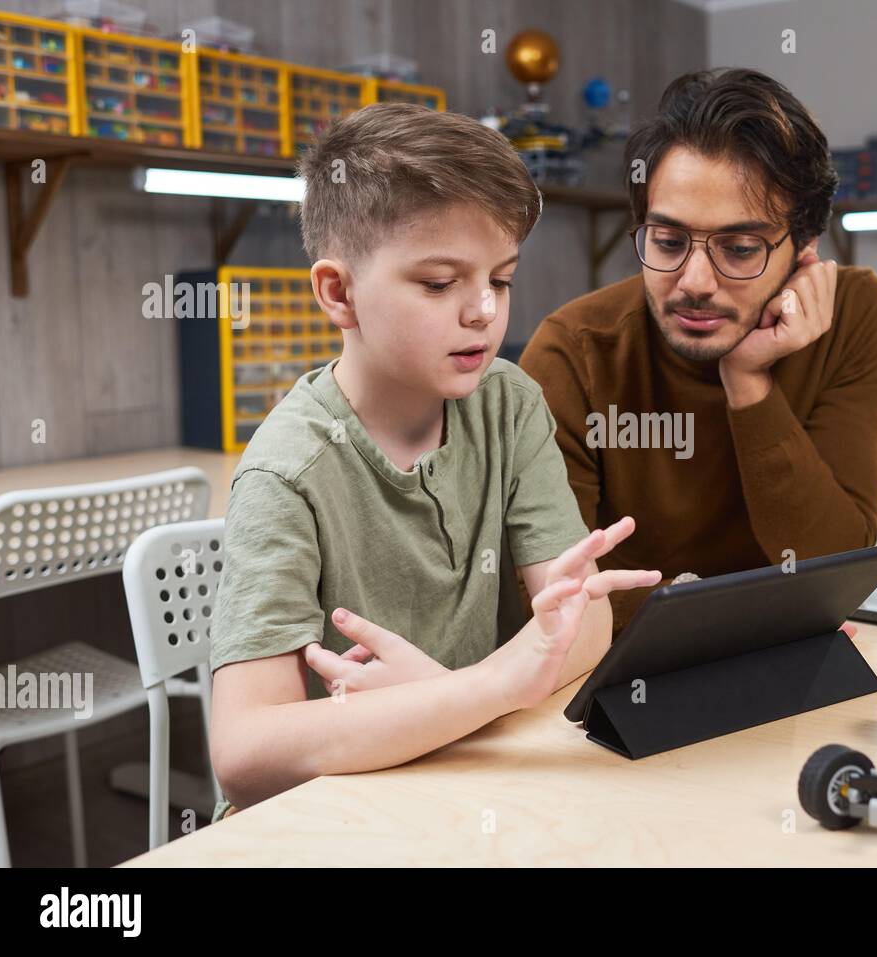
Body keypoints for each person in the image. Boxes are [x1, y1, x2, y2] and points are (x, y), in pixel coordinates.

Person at [207, 103, 659, 814]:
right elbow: (245, 755)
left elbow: (583, 623)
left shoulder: (507, 403)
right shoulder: (286, 472)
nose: (483, 309)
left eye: (500, 278)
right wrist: (491, 685)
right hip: (328, 823)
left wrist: (446, 693)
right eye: (441, 283)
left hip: (457, 784)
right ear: (339, 292)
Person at [520, 68, 877, 632]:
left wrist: (748, 381)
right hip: (618, 679)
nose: (695, 280)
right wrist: (754, 609)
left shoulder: (857, 314)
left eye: (741, 248)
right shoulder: (574, 352)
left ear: (804, 252)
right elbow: (559, 605)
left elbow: (833, 567)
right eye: (668, 241)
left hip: (786, 663)